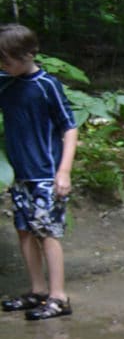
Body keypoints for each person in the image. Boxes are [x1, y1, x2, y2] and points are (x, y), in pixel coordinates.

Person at [0, 24, 79, 321]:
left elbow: (69, 128)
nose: (4, 66)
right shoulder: (5, 82)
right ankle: (38, 290)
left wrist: (65, 171)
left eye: (7, 60)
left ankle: (59, 297)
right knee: (24, 230)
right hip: (19, 174)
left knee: (47, 233)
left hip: (46, 174)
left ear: (28, 54)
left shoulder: (47, 85)